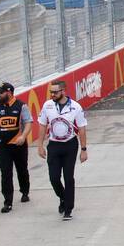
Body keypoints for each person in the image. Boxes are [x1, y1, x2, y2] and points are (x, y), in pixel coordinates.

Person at [36, 79, 88, 221]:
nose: (52, 94)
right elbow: (42, 125)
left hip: (70, 145)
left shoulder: (75, 107)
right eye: (51, 92)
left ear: (63, 91)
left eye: (55, 92)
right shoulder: (47, 106)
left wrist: (83, 149)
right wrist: (40, 145)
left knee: (68, 177)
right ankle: (63, 198)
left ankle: (68, 209)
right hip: (53, 145)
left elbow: (82, 128)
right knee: (54, 178)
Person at [0, 81, 33, 213]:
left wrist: (23, 136)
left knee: (22, 170)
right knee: (6, 173)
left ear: (9, 92)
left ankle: (25, 192)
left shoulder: (21, 106)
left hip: (19, 146)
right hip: (3, 147)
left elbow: (28, 122)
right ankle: (8, 202)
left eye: (1, 92)